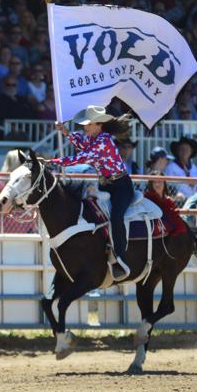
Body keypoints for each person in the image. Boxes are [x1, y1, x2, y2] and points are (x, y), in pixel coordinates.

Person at [49, 106, 133, 280]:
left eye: (88, 124)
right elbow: (81, 143)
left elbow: (82, 156)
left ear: (98, 124)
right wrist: (65, 131)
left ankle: (121, 258)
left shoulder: (103, 141)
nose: (85, 127)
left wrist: (54, 161)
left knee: (117, 217)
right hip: (106, 184)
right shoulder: (95, 139)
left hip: (121, 186)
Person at [165, 136, 197, 203]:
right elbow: (168, 186)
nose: (184, 151)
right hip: (179, 202)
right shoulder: (171, 167)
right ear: (177, 151)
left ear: (191, 151)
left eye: (187, 149)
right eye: (181, 149)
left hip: (194, 201)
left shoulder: (194, 168)